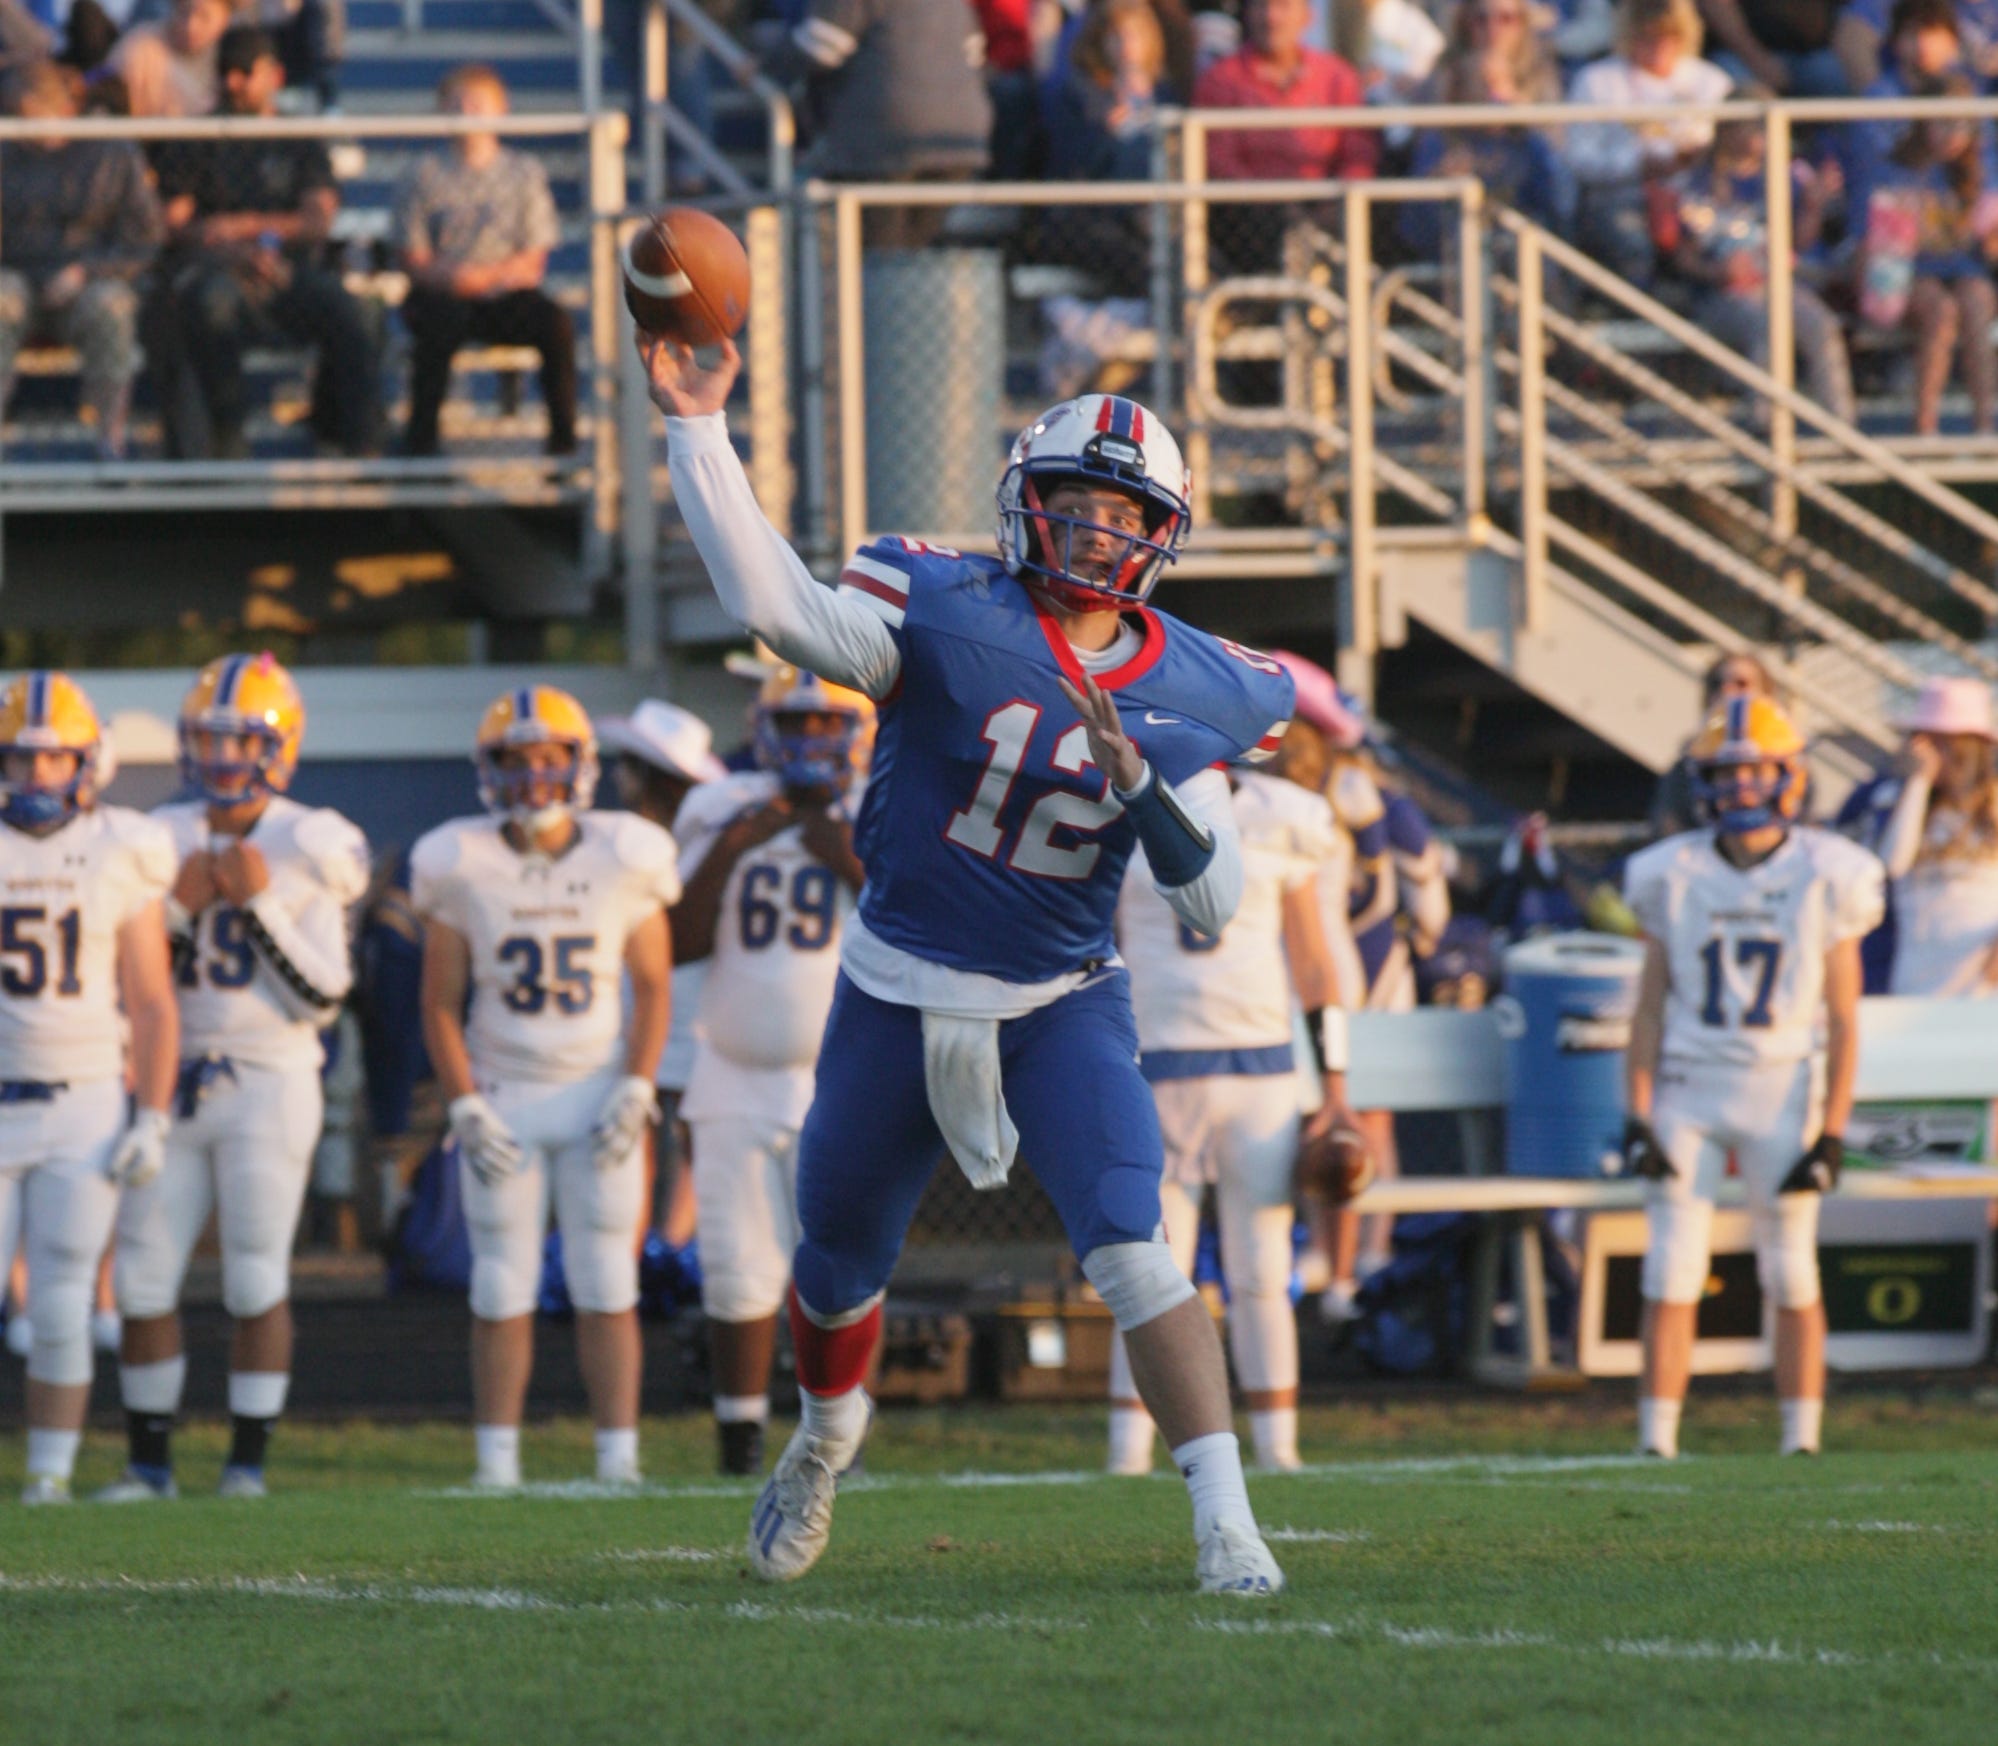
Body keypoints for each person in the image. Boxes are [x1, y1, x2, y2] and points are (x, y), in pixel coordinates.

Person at [647, 332, 1296, 1594]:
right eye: (1078, 502)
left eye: (1126, 515)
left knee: (1135, 1250)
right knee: (835, 1269)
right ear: (1025, 502)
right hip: (896, 986)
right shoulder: (942, 607)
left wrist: (1145, 787)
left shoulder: (1198, 688)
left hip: (1061, 1001)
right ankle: (822, 1444)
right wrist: (698, 428)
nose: (1099, 533)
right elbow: (777, 608)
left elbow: (1211, 899)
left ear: (1160, 536)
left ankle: (1228, 1523)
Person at [100, 653, 367, 1502]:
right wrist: (179, 910)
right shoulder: (157, 838)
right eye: (210, 739)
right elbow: (129, 986)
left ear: (279, 746)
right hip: (170, 1080)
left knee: (255, 1277)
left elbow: (323, 998)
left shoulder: (310, 839)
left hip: (270, 1078)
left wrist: (257, 905)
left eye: (242, 740)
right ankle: (150, 1466)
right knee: (142, 1278)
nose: (223, 758)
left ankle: (246, 1467)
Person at [412, 686, 680, 1489]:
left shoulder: (624, 854)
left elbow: (654, 986)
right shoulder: (460, 860)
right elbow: (438, 1002)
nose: (532, 776)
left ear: (579, 765)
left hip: (598, 1093)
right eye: (516, 760)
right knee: (499, 1283)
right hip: (505, 1095)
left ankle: (618, 1460)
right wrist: (463, 1102)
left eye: (547, 758)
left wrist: (637, 1085)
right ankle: (496, 1465)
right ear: (489, 769)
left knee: (608, 1281)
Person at [1622, 696, 1883, 1458]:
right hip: (1689, 1083)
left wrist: (1833, 1131)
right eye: (1725, 772)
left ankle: (1802, 1440)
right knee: (1671, 1265)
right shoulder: (1670, 872)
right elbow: (1646, 1012)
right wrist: (1637, 1114)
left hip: (1783, 1086)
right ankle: (1655, 1442)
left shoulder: (1829, 871)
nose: (1739, 787)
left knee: (1793, 1268)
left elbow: (1844, 1018)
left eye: (1754, 770)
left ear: (1789, 775)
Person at [1108, 758, 1356, 1475]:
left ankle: (1279, 1449)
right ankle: (1127, 1455)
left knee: (1261, 1269)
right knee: (1148, 1272)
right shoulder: (1118, 799)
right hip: (1157, 1068)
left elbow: (1314, 962)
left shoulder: (1283, 815)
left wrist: (1336, 1087)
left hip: (1257, 1072)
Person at [670, 668, 873, 1476]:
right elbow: (678, 939)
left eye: (826, 724)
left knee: (845, 1265)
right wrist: (734, 846)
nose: (810, 741)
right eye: (795, 723)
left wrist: (846, 858)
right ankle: (740, 1441)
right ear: (763, 728)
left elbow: (920, 925)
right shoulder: (721, 808)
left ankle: (841, 1436)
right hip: (732, 1070)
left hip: (845, 1077)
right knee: (735, 1268)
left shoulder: (884, 804)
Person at [0, 671, 178, 1504]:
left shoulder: (122, 846)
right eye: (20, 757)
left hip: (85, 1099)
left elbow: (152, 999)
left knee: (64, 1299)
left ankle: (48, 1478)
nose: (36, 774)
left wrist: (154, 1113)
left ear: (86, 761)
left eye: (53, 758)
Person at [144, 25, 380, 459]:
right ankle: (226, 435)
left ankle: (350, 440)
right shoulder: (197, 136)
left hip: (288, 271)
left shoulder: (297, 138)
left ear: (274, 75)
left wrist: (245, 226)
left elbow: (318, 218)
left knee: (356, 310)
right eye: (225, 71)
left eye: (244, 72)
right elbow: (172, 223)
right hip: (217, 270)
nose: (232, 82)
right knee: (211, 302)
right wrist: (229, 248)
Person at [596, 698, 728, 1245]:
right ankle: (658, 1252)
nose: (618, 777)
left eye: (628, 766)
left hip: (683, 1014)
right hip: (662, 1013)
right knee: (656, 1142)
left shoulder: (671, 845)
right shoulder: (693, 838)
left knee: (674, 1143)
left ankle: (662, 1252)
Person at [394, 64, 576, 460]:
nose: (467, 114)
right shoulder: (421, 174)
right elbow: (412, 257)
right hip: (443, 295)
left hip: (505, 294)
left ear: (500, 109)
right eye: (456, 104)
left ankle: (563, 447)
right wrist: (454, 279)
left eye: (477, 104)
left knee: (555, 324)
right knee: (436, 326)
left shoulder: (524, 173)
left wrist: (484, 278)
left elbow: (533, 259)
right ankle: (420, 446)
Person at [0, 60, 161, 460]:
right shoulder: (6, 150)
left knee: (110, 305)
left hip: (87, 282)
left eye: (33, 119)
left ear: (65, 109)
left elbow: (145, 239)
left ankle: (110, 440)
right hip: (17, 278)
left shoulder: (111, 152)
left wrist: (86, 272)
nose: (25, 131)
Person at [1656, 107, 1856, 424]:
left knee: (1821, 325)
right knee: (1766, 326)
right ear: (1728, 130)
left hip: (1776, 283)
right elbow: (1684, 258)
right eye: (1753, 127)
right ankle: (1767, 426)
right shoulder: (1698, 182)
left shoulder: (1784, 175)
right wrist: (1717, 272)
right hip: (1722, 294)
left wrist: (1812, 207)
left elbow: (1798, 245)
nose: (1762, 135)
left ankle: (1842, 425)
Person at [763, 0, 992, 249]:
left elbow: (819, 47)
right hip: (958, 136)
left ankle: (890, 271)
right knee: (917, 250)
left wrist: (763, 65)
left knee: (883, 251)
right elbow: (974, 56)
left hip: (883, 136)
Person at [1563, 0, 1733, 290]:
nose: (1659, 46)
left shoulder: (1712, 83)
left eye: (1670, 35)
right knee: (1630, 242)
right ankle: (1644, 303)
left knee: (1720, 240)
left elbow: (1734, 152)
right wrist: (1636, 165)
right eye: (1648, 36)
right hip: (1620, 197)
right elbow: (1578, 158)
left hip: (1696, 200)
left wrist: (1699, 158)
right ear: (1628, 34)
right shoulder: (1596, 81)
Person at [1876, 677, 1998, 996]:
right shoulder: (1900, 799)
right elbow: (1893, 865)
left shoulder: (1992, 805)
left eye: (1939, 742)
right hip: (1916, 985)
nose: (1925, 752)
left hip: (1981, 985)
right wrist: (1918, 782)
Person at [1650, 650, 1774, 840]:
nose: (1727, 691)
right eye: (1717, 684)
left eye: (1741, 683)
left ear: (1766, 693)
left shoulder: (1790, 761)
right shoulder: (1687, 766)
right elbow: (1669, 830)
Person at [107, 0, 230, 116]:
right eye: (184, 12)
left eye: (204, 16)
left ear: (224, 18)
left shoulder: (230, 54)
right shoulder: (138, 47)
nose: (191, 25)